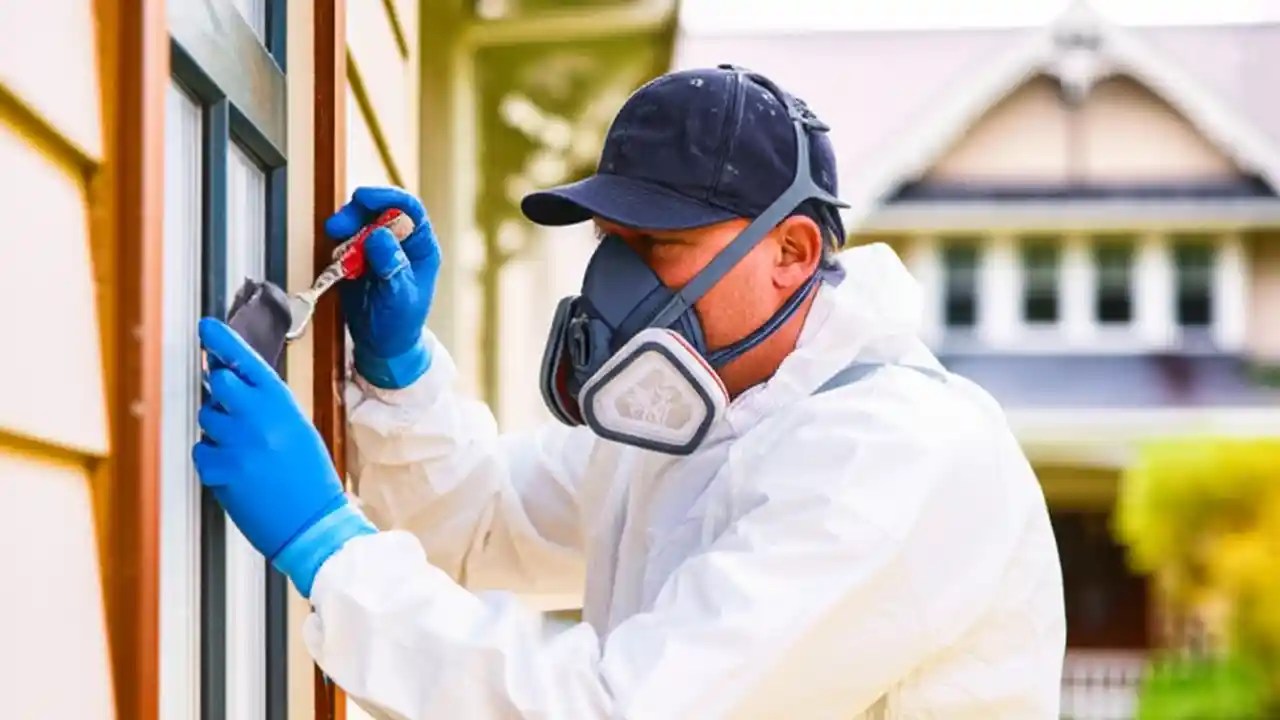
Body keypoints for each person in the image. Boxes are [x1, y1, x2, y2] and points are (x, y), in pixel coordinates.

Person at [193, 65, 1065, 719]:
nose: (618, 283)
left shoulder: (890, 456)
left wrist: (327, 543)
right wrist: (399, 374)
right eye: (612, 241)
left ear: (792, 252)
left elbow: (619, 707)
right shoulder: (707, 412)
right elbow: (487, 525)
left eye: (658, 246)